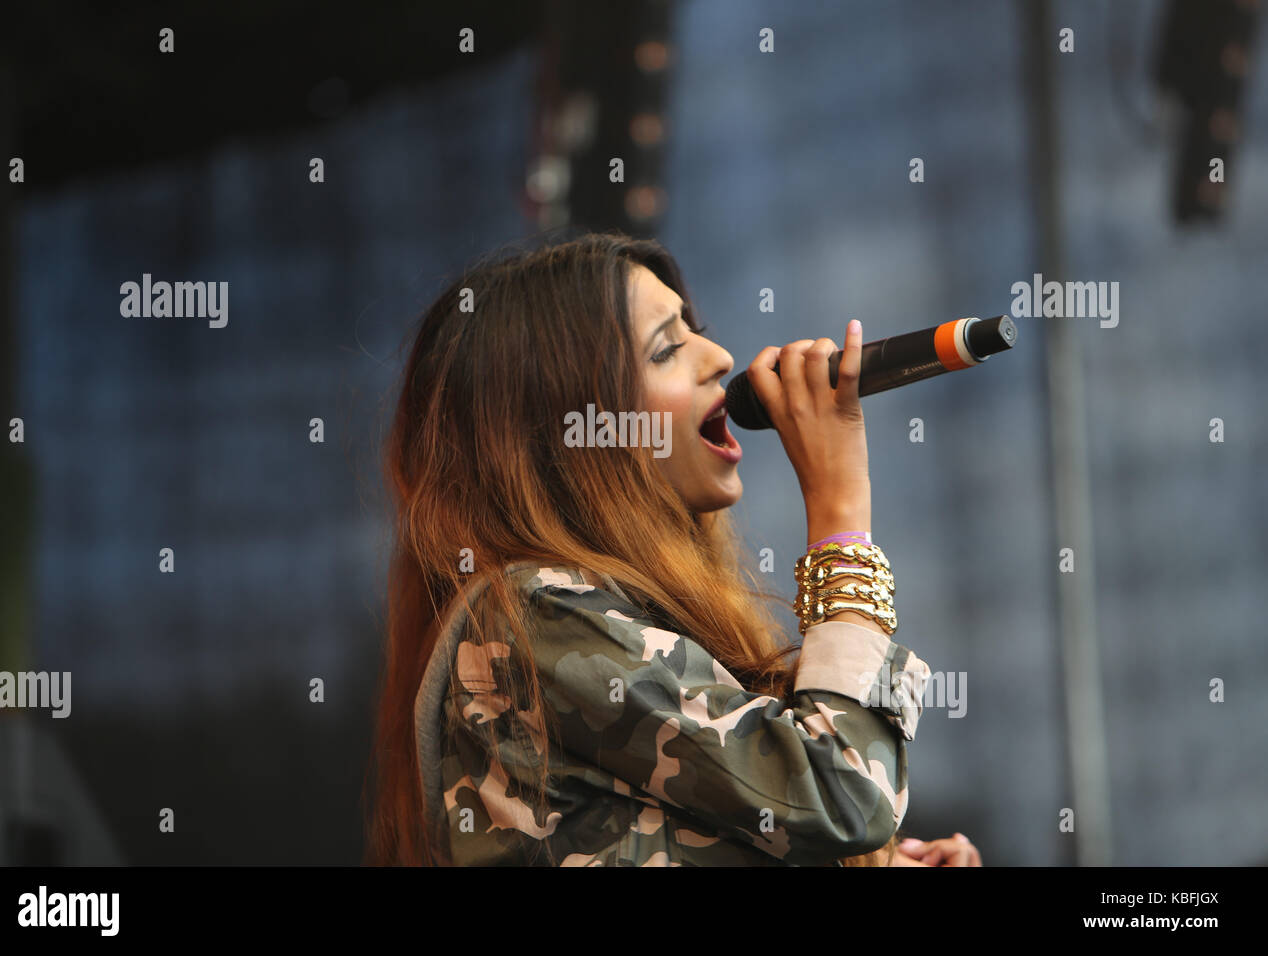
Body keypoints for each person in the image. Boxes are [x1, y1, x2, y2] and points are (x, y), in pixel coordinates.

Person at [365, 231, 981, 867]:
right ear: (576, 430)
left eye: (697, 330)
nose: (719, 357)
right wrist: (841, 511)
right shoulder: (535, 617)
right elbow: (840, 797)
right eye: (666, 350)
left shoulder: (617, 620)